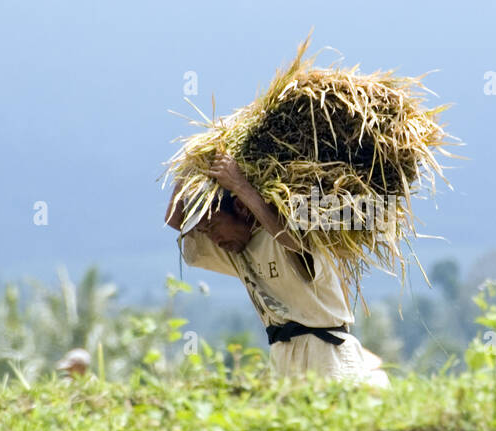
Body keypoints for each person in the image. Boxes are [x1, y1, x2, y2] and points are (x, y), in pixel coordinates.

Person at [164, 154, 390, 387]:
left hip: (326, 354)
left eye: (212, 226)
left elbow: (293, 242)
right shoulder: (234, 250)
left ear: (241, 207)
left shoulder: (288, 229)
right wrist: (193, 160)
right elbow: (173, 220)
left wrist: (241, 186)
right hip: (282, 358)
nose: (214, 239)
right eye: (205, 232)